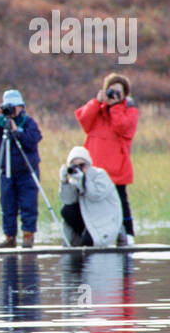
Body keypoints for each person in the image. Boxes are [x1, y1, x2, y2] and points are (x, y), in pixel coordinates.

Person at [75, 72, 138, 244]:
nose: (113, 95)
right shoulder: (97, 110)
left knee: (120, 202)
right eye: (111, 91)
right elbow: (84, 121)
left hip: (117, 168)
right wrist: (96, 102)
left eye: (118, 92)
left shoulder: (130, 112)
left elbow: (121, 127)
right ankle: (88, 234)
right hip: (94, 168)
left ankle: (128, 234)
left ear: (125, 95)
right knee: (89, 202)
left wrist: (116, 106)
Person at [0, 89, 43, 248]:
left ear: (22, 106)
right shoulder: (0, 124)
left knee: (29, 204)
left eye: (15, 106)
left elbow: (34, 139)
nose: (12, 110)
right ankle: (9, 237)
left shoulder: (28, 122)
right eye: (9, 107)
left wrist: (17, 131)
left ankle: (28, 236)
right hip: (6, 171)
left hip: (27, 171)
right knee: (7, 205)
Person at [58, 146, 122, 248]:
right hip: (88, 221)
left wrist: (84, 180)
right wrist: (64, 182)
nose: (79, 169)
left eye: (82, 165)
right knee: (66, 210)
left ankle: (120, 233)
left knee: (88, 242)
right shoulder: (75, 180)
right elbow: (68, 200)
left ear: (89, 164)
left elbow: (95, 195)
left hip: (104, 221)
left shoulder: (100, 175)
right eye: (75, 166)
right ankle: (80, 235)